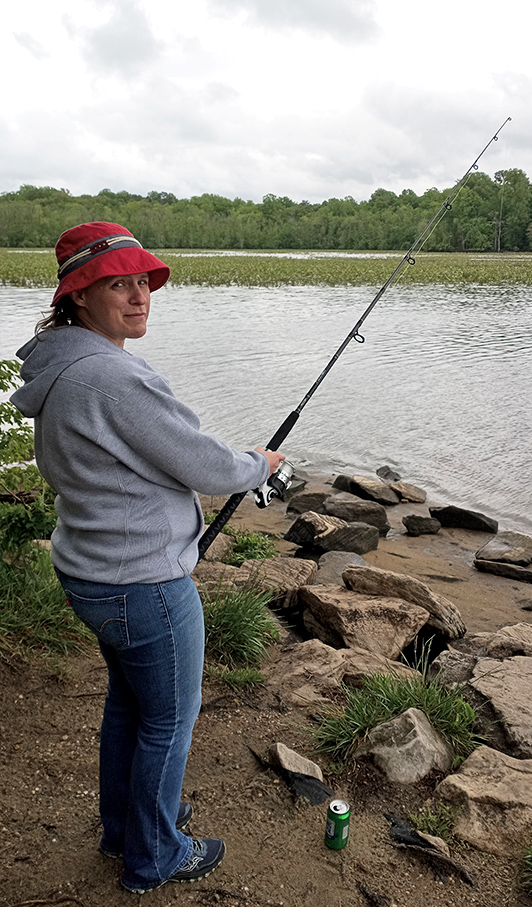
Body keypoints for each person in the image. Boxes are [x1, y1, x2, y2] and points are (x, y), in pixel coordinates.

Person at [10, 221, 285, 894]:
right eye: (118, 285)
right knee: (168, 721)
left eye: (143, 282)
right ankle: (155, 853)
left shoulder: (63, 364)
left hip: (91, 569)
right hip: (143, 585)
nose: (140, 297)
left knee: (129, 708)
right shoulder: (110, 376)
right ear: (78, 296)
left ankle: (123, 825)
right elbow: (202, 462)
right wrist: (259, 463)